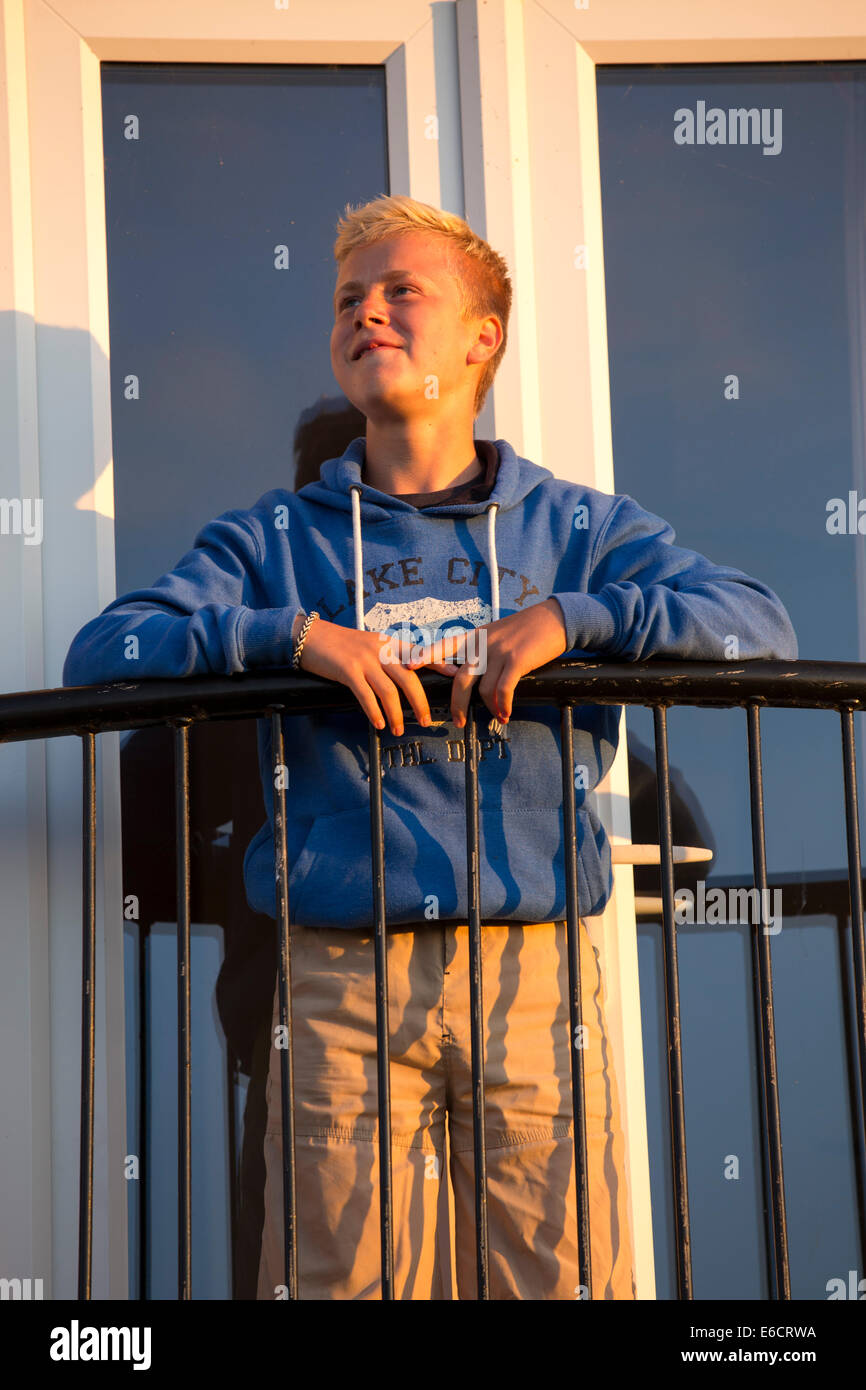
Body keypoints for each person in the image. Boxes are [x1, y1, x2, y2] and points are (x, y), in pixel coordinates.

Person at [62, 193, 798, 1301]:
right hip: (334, 972)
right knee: (338, 1283)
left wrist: (572, 620)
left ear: (480, 336)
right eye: (347, 300)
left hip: (533, 972)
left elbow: (761, 628)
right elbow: (102, 653)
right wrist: (289, 636)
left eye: (401, 290)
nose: (367, 313)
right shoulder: (276, 538)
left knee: (559, 1282)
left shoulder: (578, 529)